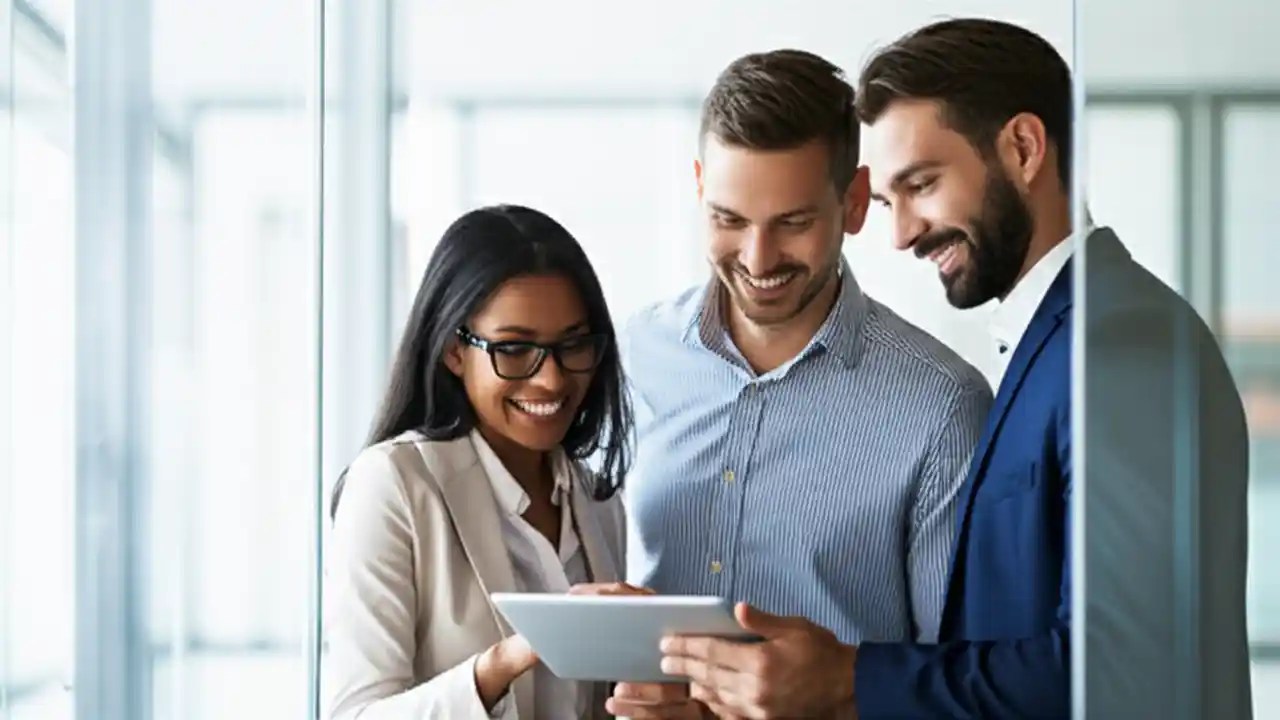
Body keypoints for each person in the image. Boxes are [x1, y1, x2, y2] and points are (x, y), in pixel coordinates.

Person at [657, 18, 1252, 719]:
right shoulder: (1063, 342)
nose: (902, 232)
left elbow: (1125, 664)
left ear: (1023, 148)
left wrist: (848, 679)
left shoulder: (1124, 345)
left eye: (922, 184)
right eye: (887, 201)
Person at [608, 48, 992, 718]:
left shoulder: (941, 406)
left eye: (792, 223)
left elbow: (957, 683)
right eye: (729, 220)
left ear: (853, 203)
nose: (758, 259)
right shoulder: (631, 356)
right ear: (699, 187)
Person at [325, 204, 637, 719]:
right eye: (515, 349)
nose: (552, 380)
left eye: (573, 345)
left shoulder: (599, 502)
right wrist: (510, 657)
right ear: (453, 350)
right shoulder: (393, 485)